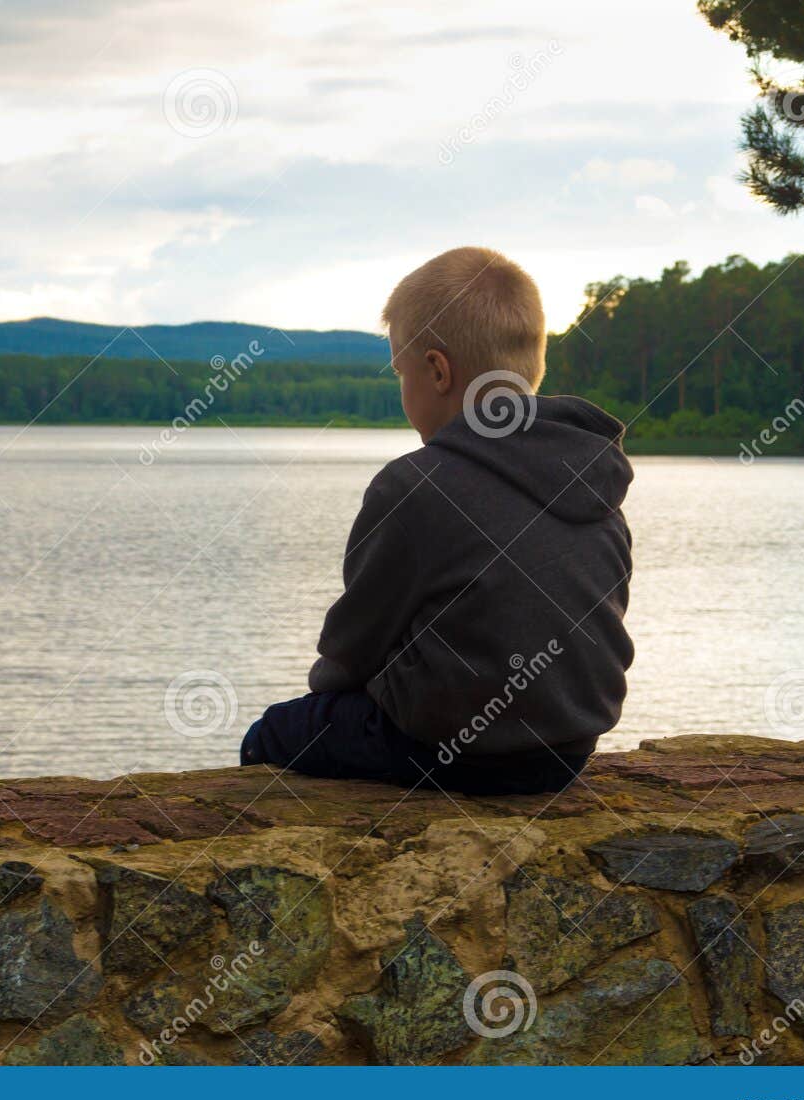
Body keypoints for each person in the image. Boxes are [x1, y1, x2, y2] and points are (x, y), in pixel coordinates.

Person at [240, 246, 634, 795]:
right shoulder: (594, 476)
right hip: (565, 753)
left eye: (401, 372)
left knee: (274, 733)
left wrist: (326, 701)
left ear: (437, 370)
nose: (403, 390)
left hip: (449, 750)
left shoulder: (415, 485)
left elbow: (354, 646)